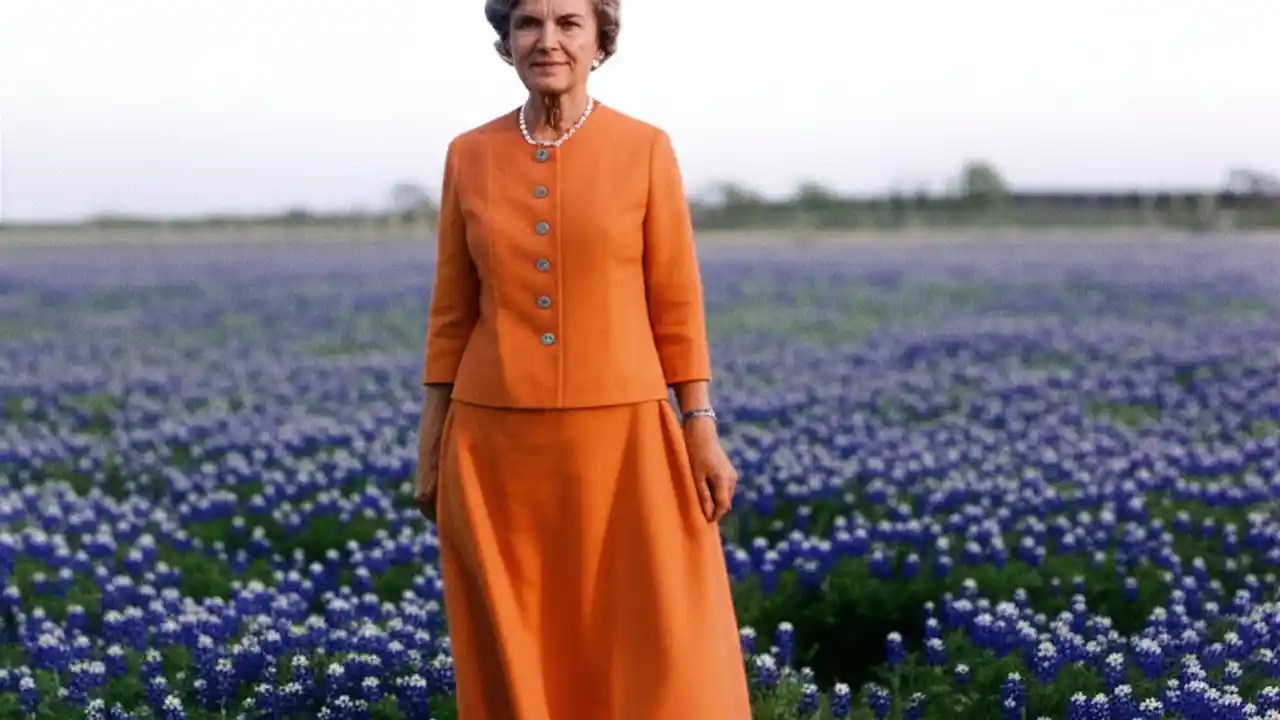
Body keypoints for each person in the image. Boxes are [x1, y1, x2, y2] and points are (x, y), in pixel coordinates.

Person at [413, 0, 752, 718]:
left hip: (625, 437)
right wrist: (431, 445)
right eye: (527, 24)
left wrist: (700, 422)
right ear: (505, 41)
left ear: (601, 40)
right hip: (494, 443)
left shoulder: (645, 147)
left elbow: (676, 303)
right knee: (519, 639)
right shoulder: (467, 155)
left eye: (568, 23)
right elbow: (451, 314)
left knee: (652, 640)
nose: (547, 40)